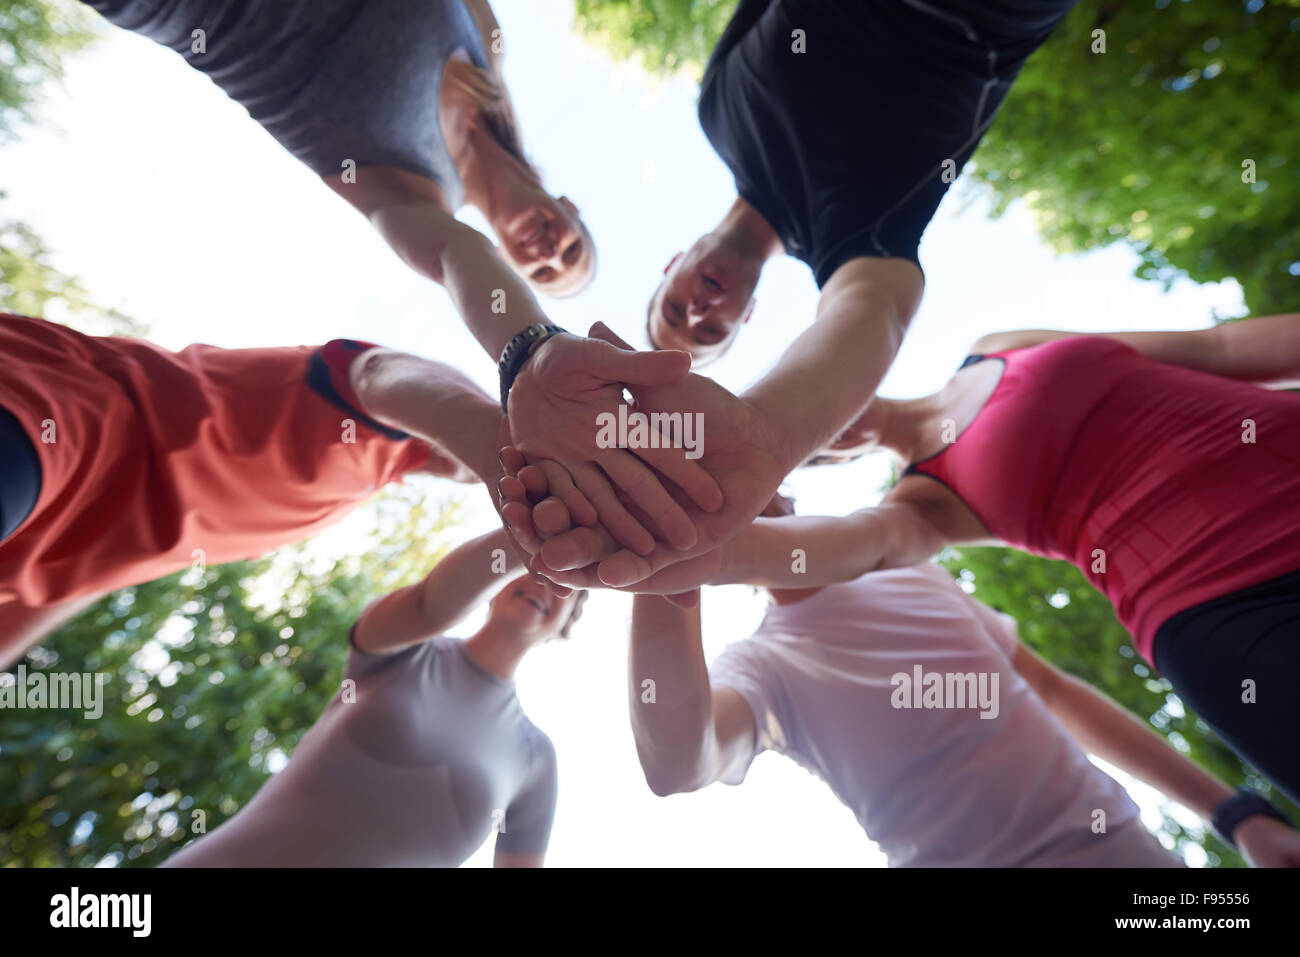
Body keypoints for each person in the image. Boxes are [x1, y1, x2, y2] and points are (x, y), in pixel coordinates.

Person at [515, 314, 1300, 803]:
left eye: (806, 422)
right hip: (1221, 610)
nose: (830, 436)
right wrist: (678, 540)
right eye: (811, 452)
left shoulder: (998, 347)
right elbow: (835, 549)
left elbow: (1219, 345)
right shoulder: (921, 508)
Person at [81, 0, 729, 561]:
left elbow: (455, 256)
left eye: (543, 272)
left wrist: (532, 348)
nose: (550, 255)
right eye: (570, 248)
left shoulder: (416, 196)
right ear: (571, 210)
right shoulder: (485, 52)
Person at [626, 497, 1300, 866]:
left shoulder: (914, 573)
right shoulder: (763, 667)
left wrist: (1234, 812)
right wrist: (659, 553)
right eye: (702, 496)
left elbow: (1056, 693)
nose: (737, 500)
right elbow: (679, 760)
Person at [0, 311, 510, 667]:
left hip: (30, 547)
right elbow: (385, 374)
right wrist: (500, 445)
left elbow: (102, 563)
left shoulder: (353, 489)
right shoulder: (372, 402)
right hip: (53, 416)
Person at [647, 0, 1078, 364]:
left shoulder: (715, 112)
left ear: (671, 265)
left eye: (673, 308)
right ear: (746, 315)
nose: (697, 312)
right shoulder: (849, 244)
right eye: (710, 333)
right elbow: (877, 311)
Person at [161, 530, 586, 867]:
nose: (541, 583)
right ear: (495, 581)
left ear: (568, 622)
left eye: (564, 582)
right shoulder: (406, 646)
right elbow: (427, 604)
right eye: (532, 566)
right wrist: (528, 531)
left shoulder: (535, 759)